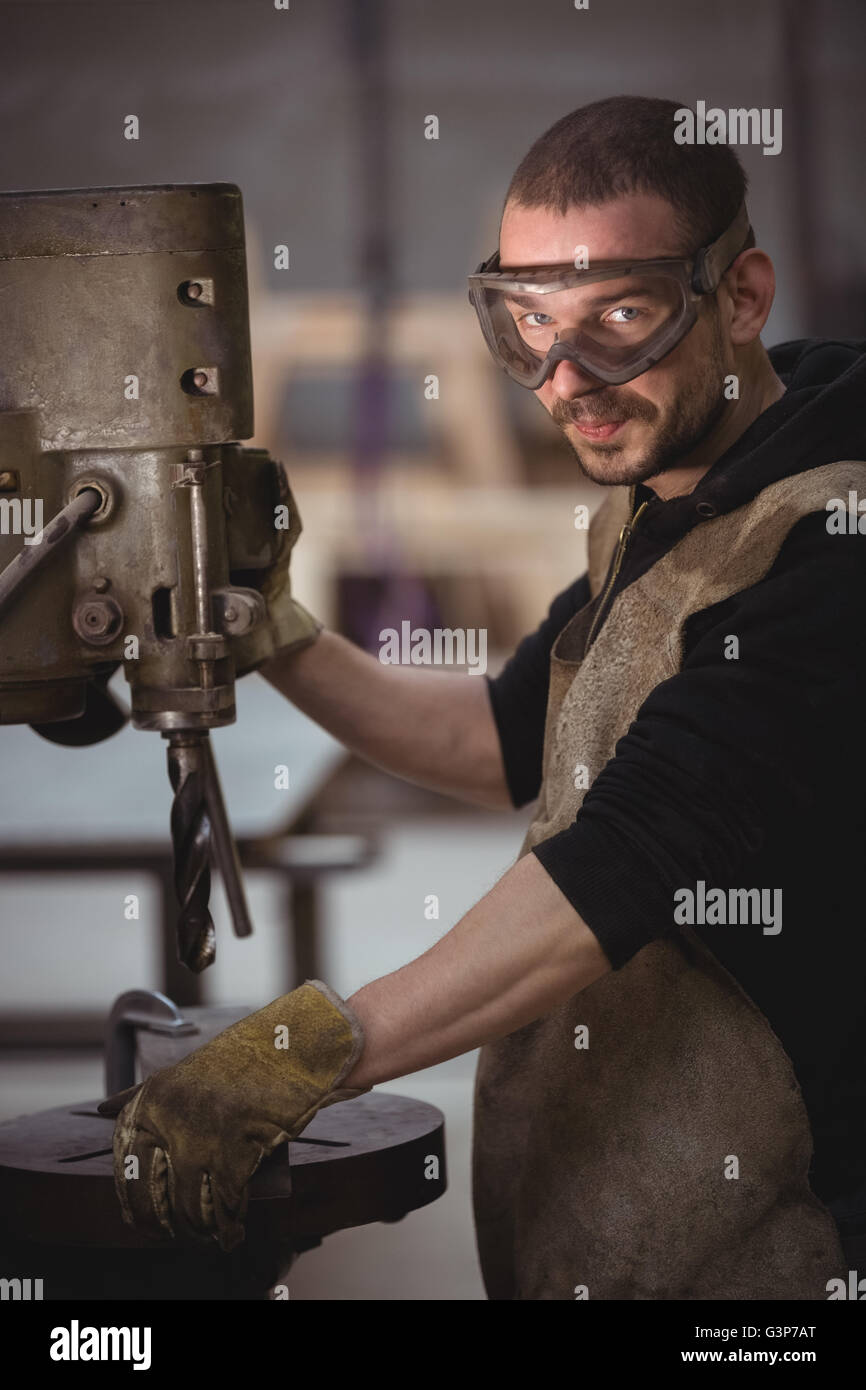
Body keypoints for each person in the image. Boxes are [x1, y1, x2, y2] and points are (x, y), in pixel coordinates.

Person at [100, 95, 866, 1301]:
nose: (568, 381)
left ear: (741, 296)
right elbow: (504, 740)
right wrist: (276, 636)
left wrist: (307, 1047)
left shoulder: (830, 545)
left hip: (786, 1249)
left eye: (621, 316)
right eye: (527, 327)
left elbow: (619, 859)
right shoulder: (674, 486)